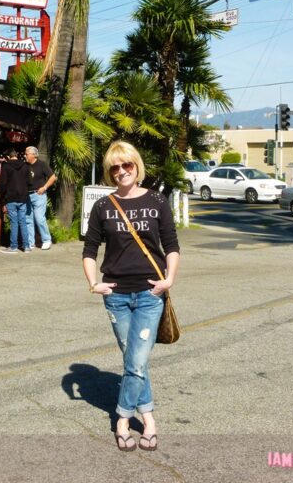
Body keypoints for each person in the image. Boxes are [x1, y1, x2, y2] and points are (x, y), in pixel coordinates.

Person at [82, 141, 180, 452]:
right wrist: (93, 283)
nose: (122, 171)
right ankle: (148, 417)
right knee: (133, 361)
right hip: (116, 296)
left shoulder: (157, 200)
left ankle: (123, 419)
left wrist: (169, 280)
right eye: (115, 167)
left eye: (127, 165)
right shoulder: (103, 207)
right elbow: (89, 250)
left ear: (136, 166)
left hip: (151, 293)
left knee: (136, 361)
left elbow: (171, 244)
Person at [0, 148, 31, 254]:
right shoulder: (26, 166)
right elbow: (29, 182)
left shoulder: (6, 166)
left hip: (10, 197)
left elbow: (2, 185)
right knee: (23, 221)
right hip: (23, 198)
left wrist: (2, 198)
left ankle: (13, 247)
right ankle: (26, 246)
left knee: (14, 222)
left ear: (8, 157)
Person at [24, 146, 56, 250]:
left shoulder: (42, 164)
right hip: (27, 195)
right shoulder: (25, 166)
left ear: (33, 154)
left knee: (39, 219)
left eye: (27, 153)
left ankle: (46, 240)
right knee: (28, 219)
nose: (25, 155)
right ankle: (30, 242)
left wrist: (45, 187)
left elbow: (53, 177)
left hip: (39, 195)